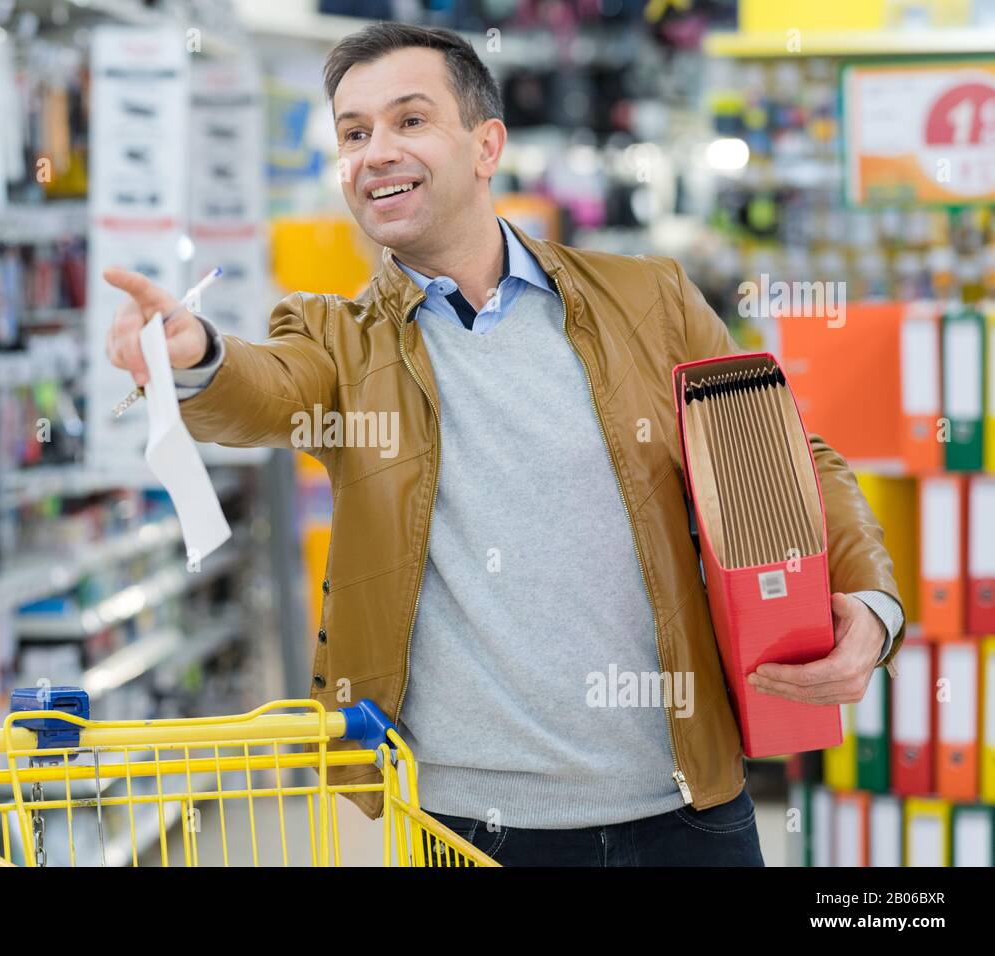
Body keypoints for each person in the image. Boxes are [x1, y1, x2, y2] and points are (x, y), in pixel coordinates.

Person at [103, 22, 903, 866]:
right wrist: (195, 357)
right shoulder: (335, 338)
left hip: (688, 809)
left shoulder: (649, 300)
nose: (376, 151)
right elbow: (262, 393)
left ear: (487, 144)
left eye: (410, 121)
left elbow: (785, 458)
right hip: (468, 830)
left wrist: (875, 606)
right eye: (353, 132)